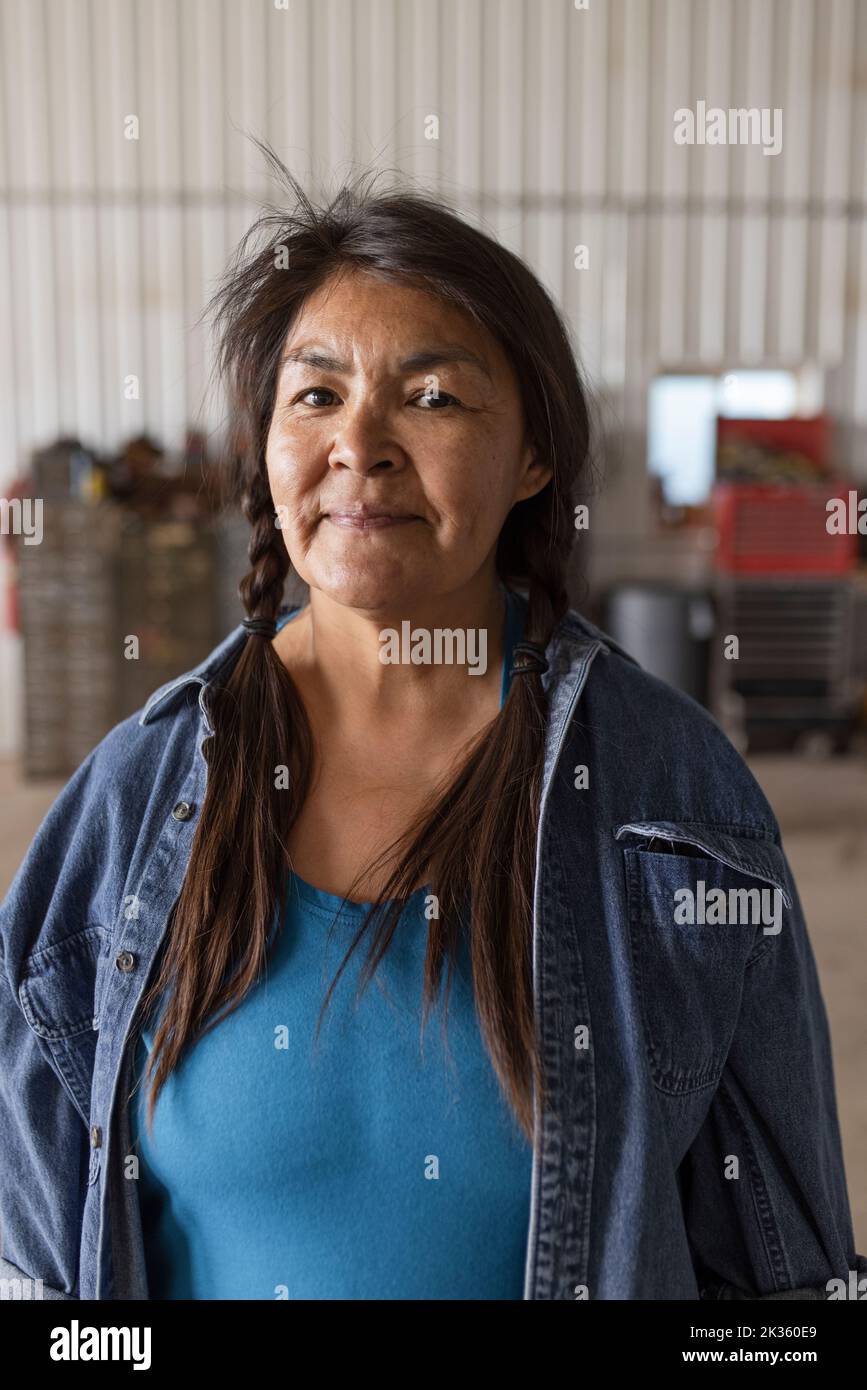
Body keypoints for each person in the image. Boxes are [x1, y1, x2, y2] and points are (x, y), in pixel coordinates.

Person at [1, 148, 863, 1301]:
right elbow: (35, 1268)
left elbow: (781, 1283)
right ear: (268, 443)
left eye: (433, 395)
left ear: (534, 455)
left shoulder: (675, 803)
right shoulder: (132, 801)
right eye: (316, 394)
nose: (361, 442)